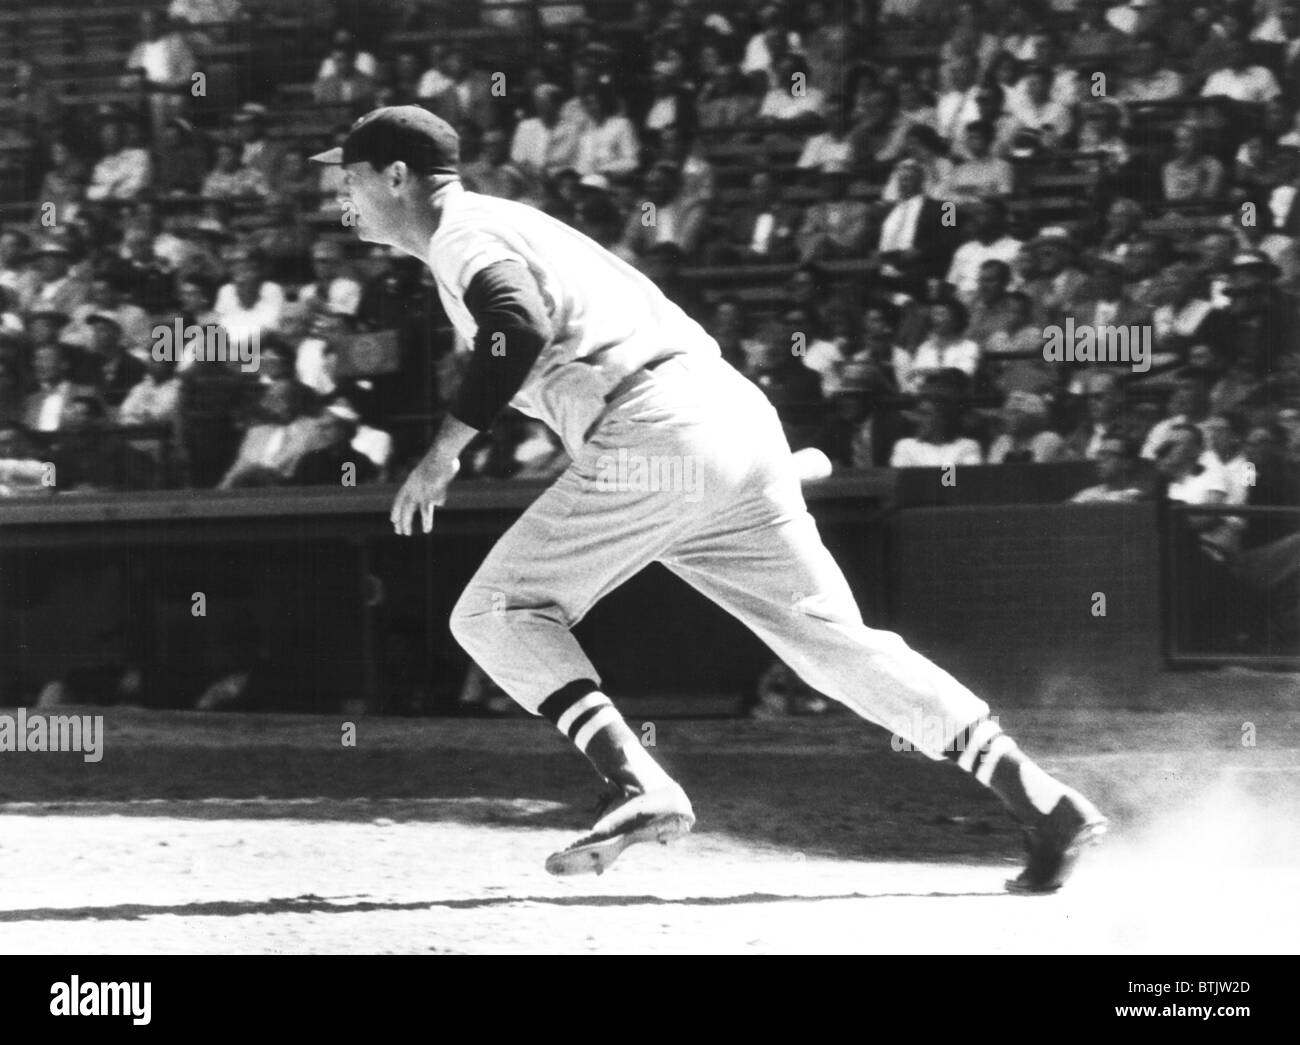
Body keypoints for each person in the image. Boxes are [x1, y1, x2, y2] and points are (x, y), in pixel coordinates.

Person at [312, 106, 1107, 891]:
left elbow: (514, 325)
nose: (341, 193)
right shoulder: (501, 223)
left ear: (398, 175)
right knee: (834, 644)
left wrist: (443, 452)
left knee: (496, 611)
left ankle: (636, 781)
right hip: (726, 418)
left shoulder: (461, 232)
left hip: (656, 425)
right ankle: (1040, 798)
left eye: (350, 176)